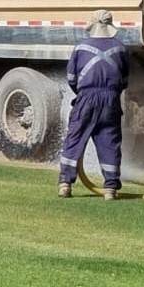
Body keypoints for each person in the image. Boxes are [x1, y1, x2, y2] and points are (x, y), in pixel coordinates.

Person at [57, 10, 130, 201]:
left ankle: (65, 184)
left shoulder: (81, 47)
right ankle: (110, 189)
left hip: (86, 98)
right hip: (111, 99)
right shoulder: (121, 48)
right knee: (110, 142)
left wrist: (83, 94)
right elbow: (125, 80)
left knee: (75, 138)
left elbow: (72, 78)